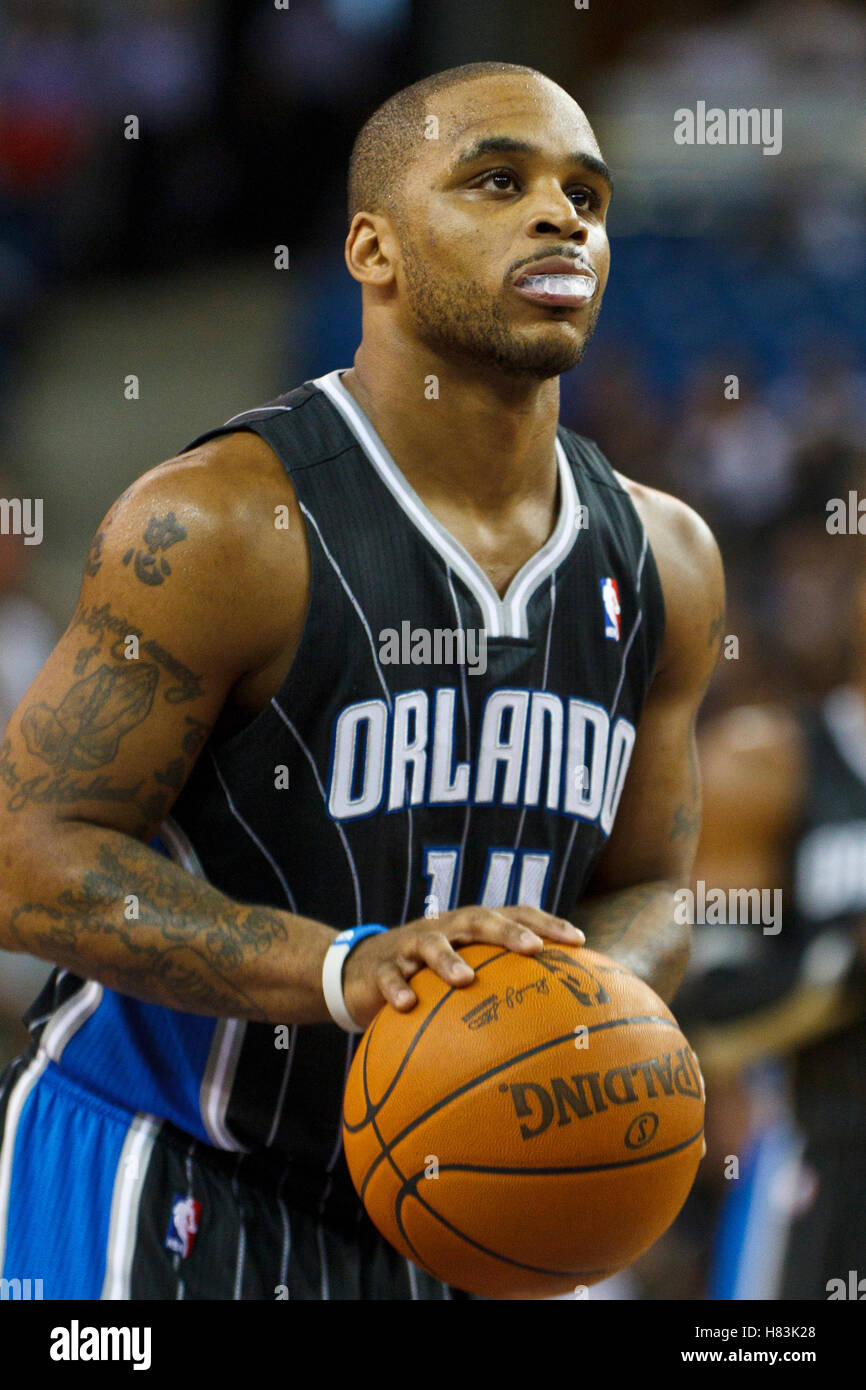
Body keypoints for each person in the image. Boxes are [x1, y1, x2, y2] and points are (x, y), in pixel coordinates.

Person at [0, 61, 723, 1301]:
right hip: (170, 1166)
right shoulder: (220, 525)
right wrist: (351, 969)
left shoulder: (665, 556)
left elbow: (655, 884)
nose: (561, 218)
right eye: (498, 181)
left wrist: (568, 1002)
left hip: (459, 1202)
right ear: (373, 251)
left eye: (586, 197)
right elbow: (28, 859)